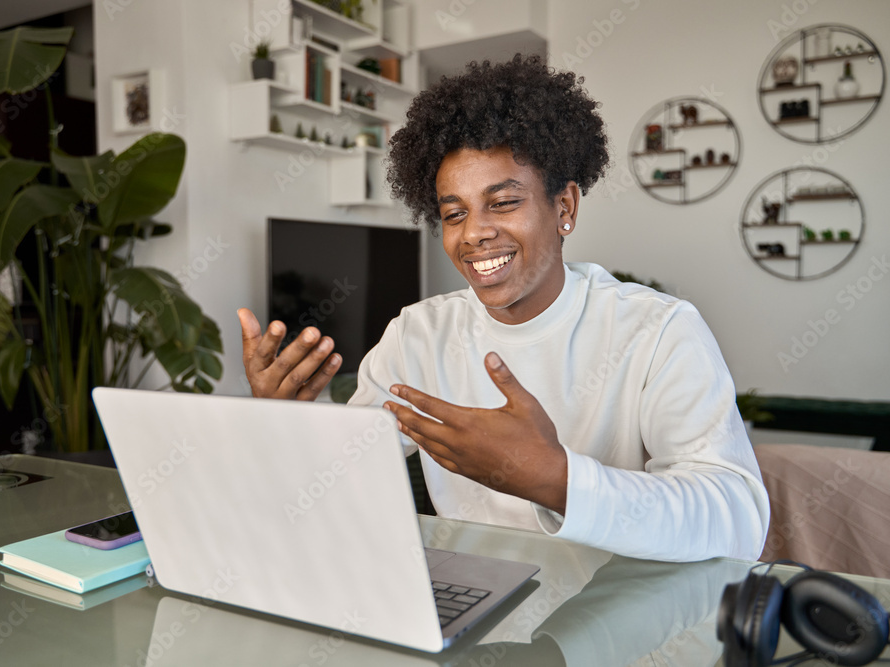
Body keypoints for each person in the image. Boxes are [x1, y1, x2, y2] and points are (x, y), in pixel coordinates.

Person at [239, 54, 769, 562]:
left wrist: (555, 479)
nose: (474, 234)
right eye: (454, 214)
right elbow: (345, 478)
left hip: (613, 617)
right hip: (469, 607)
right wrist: (290, 423)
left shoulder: (658, 331)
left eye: (503, 202)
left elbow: (737, 522)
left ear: (564, 206)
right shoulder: (418, 335)